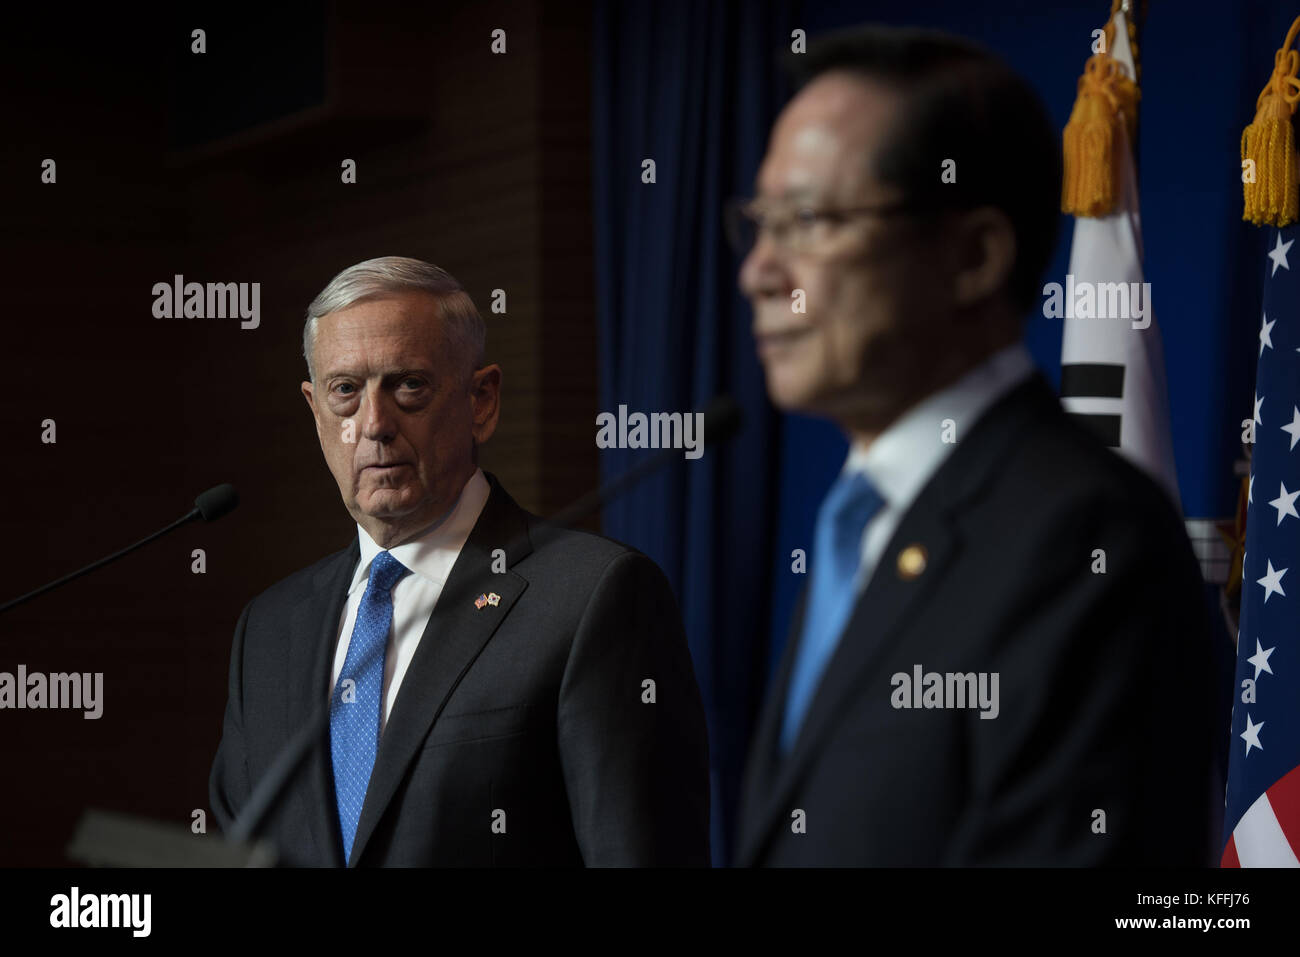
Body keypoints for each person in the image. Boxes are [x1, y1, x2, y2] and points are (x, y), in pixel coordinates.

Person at [731, 26, 1216, 865]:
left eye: (810, 220)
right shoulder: (867, 516)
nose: (761, 273)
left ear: (975, 256)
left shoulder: (1087, 541)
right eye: (762, 222)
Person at [209, 256, 710, 866]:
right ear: (316, 411)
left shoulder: (592, 596)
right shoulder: (267, 629)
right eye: (346, 391)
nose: (374, 425)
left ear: (481, 400)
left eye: (408, 385)